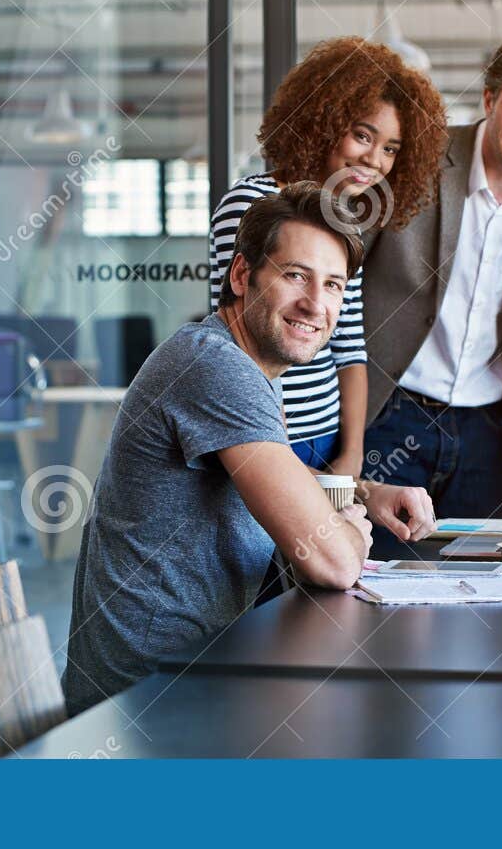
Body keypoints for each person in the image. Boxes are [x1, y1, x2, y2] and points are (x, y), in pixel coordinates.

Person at [65, 182, 437, 715]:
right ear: (241, 275)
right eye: (295, 276)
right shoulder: (215, 367)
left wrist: (365, 492)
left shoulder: (240, 367)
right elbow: (332, 562)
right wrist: (351, 532)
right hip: (147, 701)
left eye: (333, 285)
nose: (315, 303)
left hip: (195, 671)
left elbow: (276, 481)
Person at [361, 26, 502, 521]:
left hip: (483, 426)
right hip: (388, 408)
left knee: (480, 583)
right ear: (490, 98)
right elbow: (349, 269)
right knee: (371, 578)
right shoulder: (420, 156)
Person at [209, 37, 446, 479]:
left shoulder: (346, 220)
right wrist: (270, 438)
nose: (374, 159)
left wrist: (352, 454)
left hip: (328, 440)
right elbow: (235, 337)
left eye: (391, 148)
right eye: (362, 135)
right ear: (323, 120)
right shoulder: (251, 202)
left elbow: (349, 347)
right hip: (262, 435)